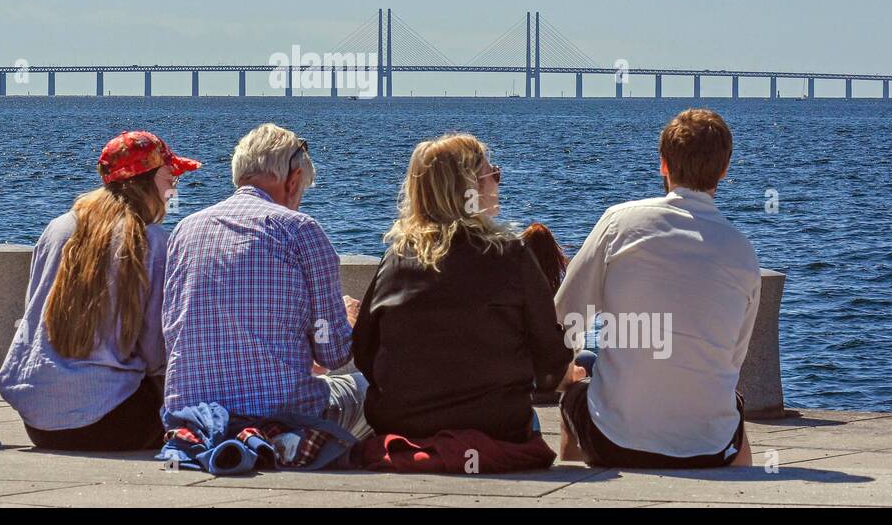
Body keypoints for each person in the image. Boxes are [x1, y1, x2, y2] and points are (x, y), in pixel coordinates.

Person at [555, 108, 759, 468]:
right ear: (724, 171)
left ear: (663, 164)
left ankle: (575, 469)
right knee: (732, 405)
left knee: (580, 371)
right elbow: (732, 358)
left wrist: (564, 367)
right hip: (709, 447)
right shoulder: (741, 249)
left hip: (615, 440)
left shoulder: (620, 221)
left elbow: (566, 316)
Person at [352, 134, 572, 442]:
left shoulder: (397, 258)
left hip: (402, 424)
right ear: (471, 188)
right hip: (496, 426)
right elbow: (550, 359)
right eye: (492, 175)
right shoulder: (512, 255)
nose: (498, 182)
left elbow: (364, 351)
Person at [162, 123, 369, 439]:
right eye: (302, 190)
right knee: (369, 387)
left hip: (192, 418)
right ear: (293, 180)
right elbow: (333, 354)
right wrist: (350, 319)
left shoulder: (185, 230)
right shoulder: (301, 230)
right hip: (282, 415)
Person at [0, 131, 200, 451]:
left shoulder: (57, 228)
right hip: (114, 421)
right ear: (144, 181)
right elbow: (155, 350)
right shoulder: (152, 241)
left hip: (39, 425)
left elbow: (33, 311)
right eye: (169, 176)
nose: (174, 186)